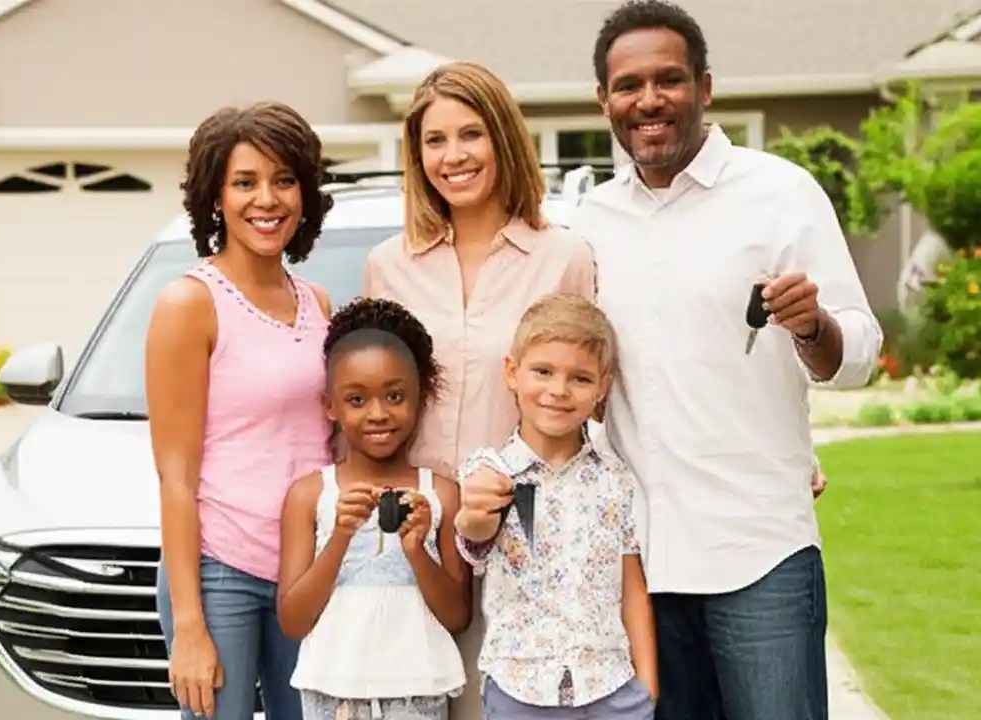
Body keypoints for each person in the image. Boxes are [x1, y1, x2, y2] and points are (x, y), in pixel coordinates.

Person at [570, 2, 884, 719]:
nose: (648, 100)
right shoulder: (588, 226)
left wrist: (813, 329)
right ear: (604, 101)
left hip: (758, 551)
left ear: (705, 87)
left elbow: (860, 352)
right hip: (638, 561)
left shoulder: (779, 194)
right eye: (629, 85)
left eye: (669, 80)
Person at [359, 61, 598, 718]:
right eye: (435, 140)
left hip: (530, 530)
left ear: (503, 139)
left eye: (471, 134)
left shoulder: (565, 257)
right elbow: (367, 408)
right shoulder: (387, 266)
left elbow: (596, 398)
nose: (453, 156)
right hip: (419, 530)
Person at [146, 101, 335, 720]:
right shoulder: (189, 305)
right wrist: (190, 624)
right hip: (220, 571)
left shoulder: (318, 303)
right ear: (216, 197)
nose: (268, 199)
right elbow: (175, 476)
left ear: (305, 192)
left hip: (304, 572)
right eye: (245, 182)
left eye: (284, 180)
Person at [453, 294, 656, 719]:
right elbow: (473, 535)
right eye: (543, 371)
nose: (558, 390)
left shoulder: (615, 478)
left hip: (611, 687)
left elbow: (632, 588)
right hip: (520, 689)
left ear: (602, 387)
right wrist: (473, 516)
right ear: (512, 372)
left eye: (580, 378)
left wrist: (647, 689)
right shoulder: (490, 470)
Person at [277, 297, 470, 719]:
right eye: (357, 400)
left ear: (420, 398)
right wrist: (341, 537)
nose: (379, 414)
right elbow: (292, 620)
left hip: (417, 691)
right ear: (330, 406)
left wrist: (417, 549)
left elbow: (457, 616)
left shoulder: (442, 495)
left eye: (395, 396)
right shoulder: (310, 495)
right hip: (333, 692)